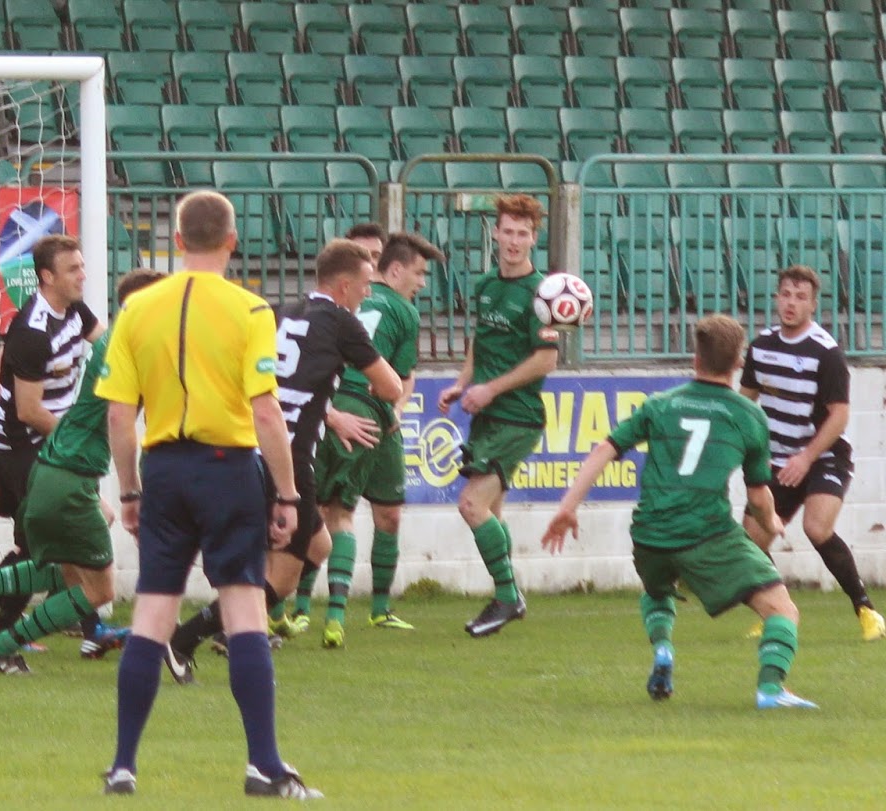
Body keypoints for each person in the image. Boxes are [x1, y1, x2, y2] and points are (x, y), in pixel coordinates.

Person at [95, 191, 322, 799]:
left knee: (151, 614)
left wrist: (130, 489)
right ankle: (263, 765)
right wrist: (288, 494)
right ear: (231, 241)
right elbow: (266, 411)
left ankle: (122, 766)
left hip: (165, 470)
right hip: (227, 469)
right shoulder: (250, 310)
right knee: (245, 610)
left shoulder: (137, 309)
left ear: (175, 241)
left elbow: (119, 416)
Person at [543, 314, 818, 710]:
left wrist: (568, 507)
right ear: (738, 363)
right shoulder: (748, 416)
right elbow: (758, 497)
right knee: (781, 609)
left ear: (695, 358)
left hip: (649, 533)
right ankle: (771, 690)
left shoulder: (660, 404)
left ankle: (663, 650)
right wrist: (771, 522)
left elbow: (604, 449)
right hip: (706, 534)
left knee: (657, 590)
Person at [162, 239, 400, 675]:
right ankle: (186, 638)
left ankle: (229, 628)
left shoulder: (277, 313)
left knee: (319, 545)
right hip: (289, 457)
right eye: (366, 283)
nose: (369, 292)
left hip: (250, 446)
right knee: (283, 577)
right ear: (344, 286)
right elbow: (391, 387)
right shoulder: (344, 323)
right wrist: (359, 389)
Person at [0, 269, 166, 674]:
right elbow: (120, 419)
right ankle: (1, 645)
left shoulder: (117, 339)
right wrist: (133, 492)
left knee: (67, 570)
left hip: (54, 468)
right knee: (98, 589)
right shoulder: (130, 346)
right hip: (69, 476)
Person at [0, 234, 109, 648]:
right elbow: (27, 411)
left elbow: (109, 346)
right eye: (73, 269)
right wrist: (76, 439)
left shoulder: (74, 310)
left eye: (82, 266)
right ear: (47, 276)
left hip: (47, 444)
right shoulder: (31, 332)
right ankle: (26, 628)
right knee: (56, 538)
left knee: (61, 534)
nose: (83, 275)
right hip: (18, 448)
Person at [302, 233, 443, 646]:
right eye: (419, 273)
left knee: (373, 513)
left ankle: (372, 610)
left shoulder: (326, 309)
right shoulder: (394, 311)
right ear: (394, 271)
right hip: (360, 409)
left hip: (355, 412)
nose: (422, 283)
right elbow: (396, 377)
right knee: (335, 513)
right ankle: (314, 613)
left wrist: (395, 411)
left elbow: (404, 380)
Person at [739, 266, 884, 642]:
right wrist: (748, 446)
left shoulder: (826, 352)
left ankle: (866, 610)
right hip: (779, 460)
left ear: (813, 305)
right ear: (777, 298)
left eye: (800, 297)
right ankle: (778, 611)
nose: (791, 303)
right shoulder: (761, 347)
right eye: (786, 294)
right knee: (750, 542)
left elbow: (839, 416)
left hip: (825, 455)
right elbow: (745, 404)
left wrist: (805, 458)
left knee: (817, 528)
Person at [438, 194, 560, 638]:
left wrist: (491, 389)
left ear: (534, 238)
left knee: (471, 504)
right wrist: (463, 382)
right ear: (495, 233)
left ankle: (508, 597)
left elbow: (546, 359)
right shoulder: (486, 285)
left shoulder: (542, 294)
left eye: (522, 233)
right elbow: (482, 339)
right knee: (492, 510)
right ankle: (508, 595)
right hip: (488, 415)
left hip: (518, 416)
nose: (513, 240)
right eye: (507, 231)